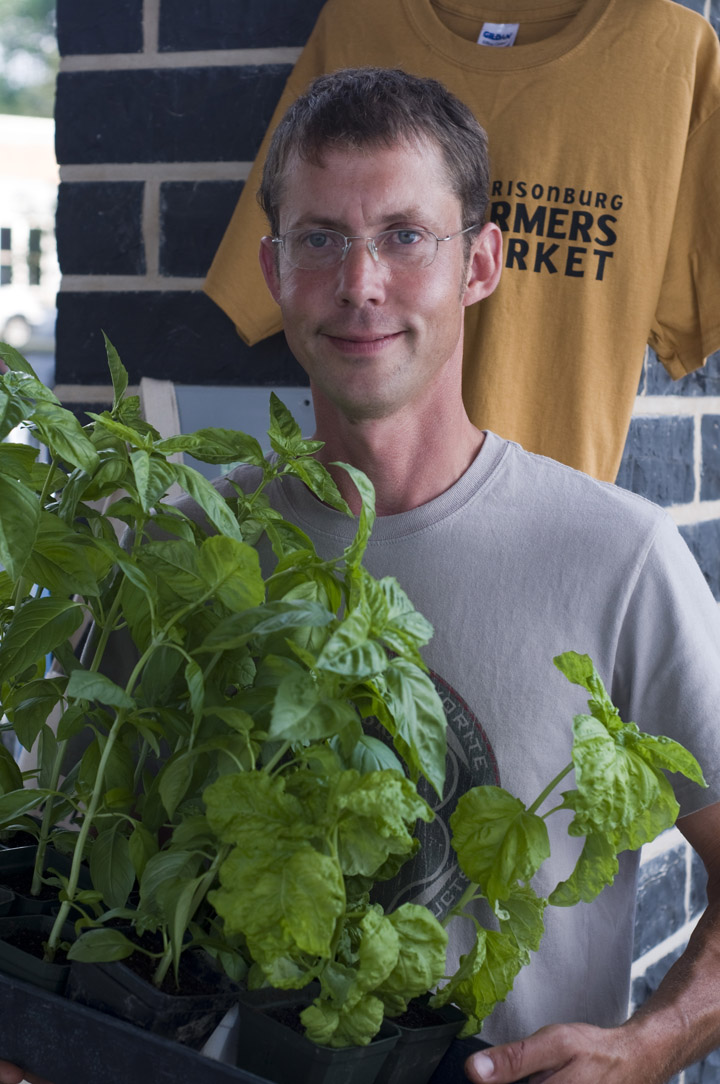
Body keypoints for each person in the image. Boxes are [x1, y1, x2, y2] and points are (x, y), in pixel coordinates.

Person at [3, 65, 720, 1084]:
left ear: (480, 263)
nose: (360, 284)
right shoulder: (183, 557)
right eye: (320, 238)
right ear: (275, 267)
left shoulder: (620, 560)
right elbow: (88, 880)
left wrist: (650, 1045)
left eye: (403, 235)